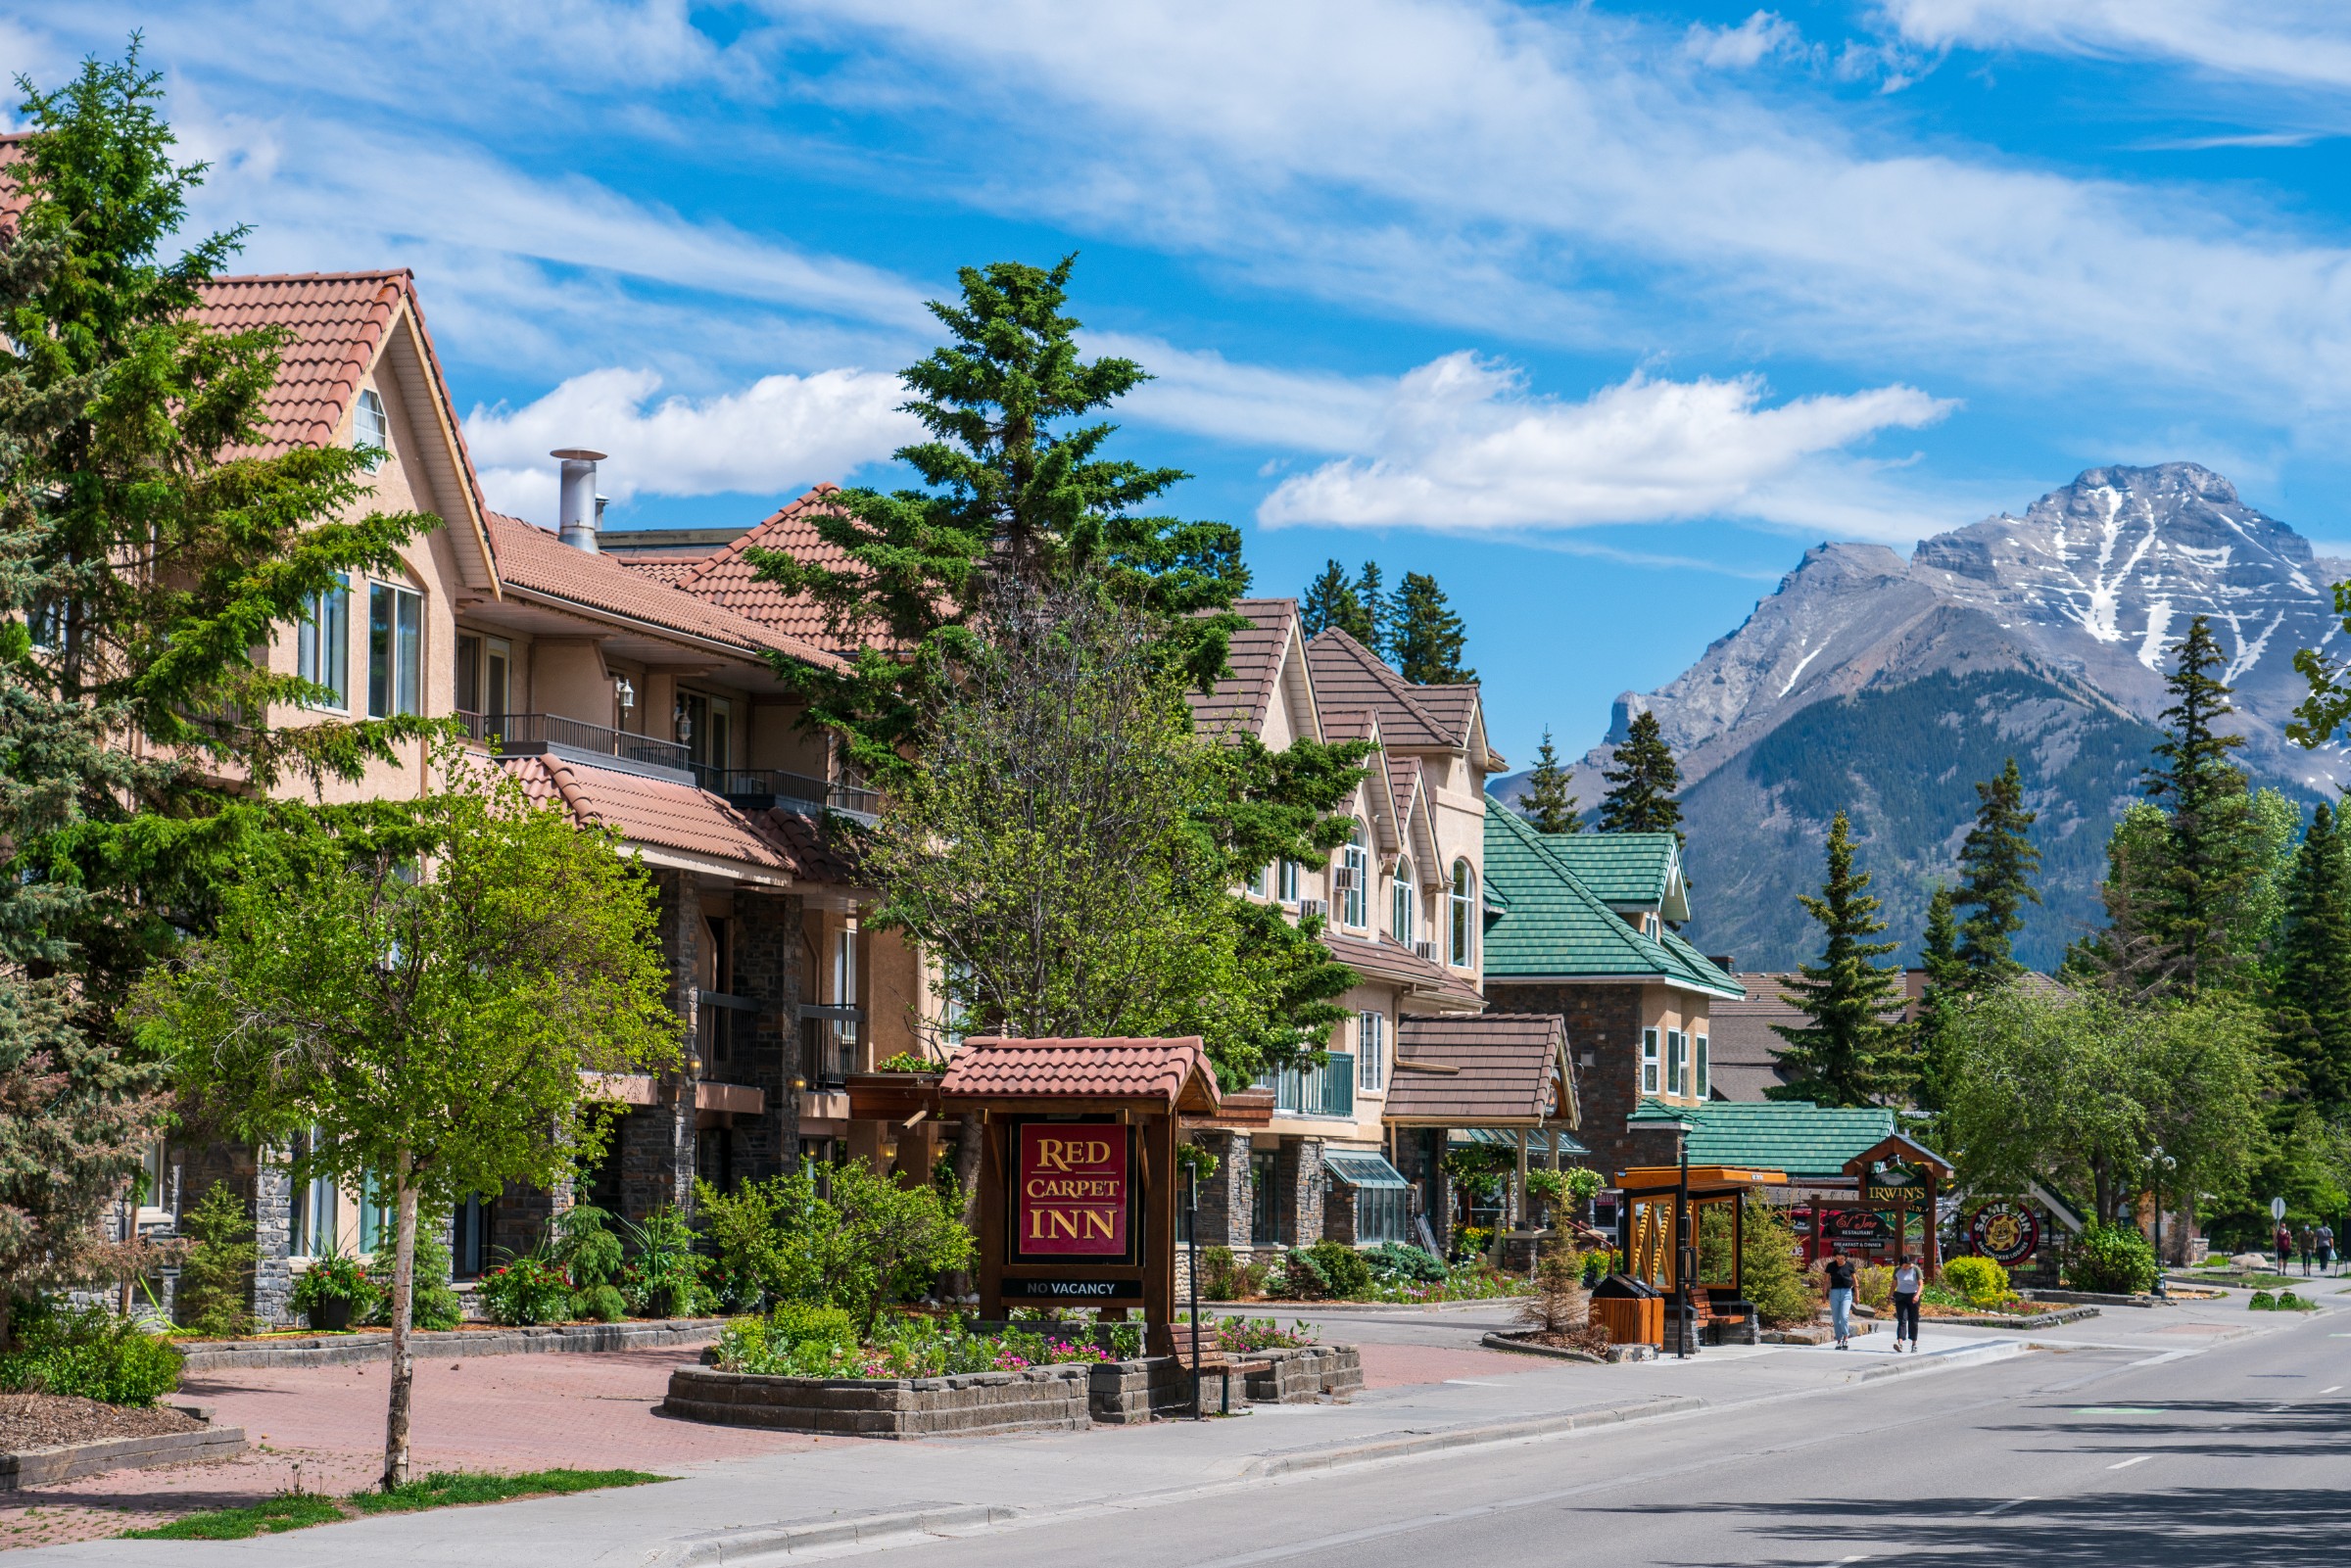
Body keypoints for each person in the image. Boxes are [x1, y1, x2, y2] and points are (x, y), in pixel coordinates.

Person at [1891, 1254, 1924, 1353]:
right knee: (1902, 1319)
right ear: (1900, 1264)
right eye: (1904, 1265)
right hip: (1900, 1296)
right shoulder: (1897, 1270)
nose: (1906, 1267)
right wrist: (1890, 1295)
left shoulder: (1915, 1269)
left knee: (1913, 1320)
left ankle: (1914, 1344)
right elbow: (1894, 1284)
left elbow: (1920, 1284)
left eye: (1908, 1265)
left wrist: (1917, 1295)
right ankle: (1900, 1343)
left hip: (1913, 1296)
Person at [1825, 1251, 1856, 1350]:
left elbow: (1855, 1280)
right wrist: (1824, 1294)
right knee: (1835, 1318)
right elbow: (1826, 1281)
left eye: (1842, 1258)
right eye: (1837, 1258)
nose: (1839, 1260)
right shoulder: (1830, 1266)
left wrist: (1857, 1295)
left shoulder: (1849, 1265)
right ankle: (1838, 1340)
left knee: (1844, 1316)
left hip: (1846, 1293)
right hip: (1834, 1293)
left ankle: (1846, 1338)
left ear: (1845, 1258)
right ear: (1835, 1257)